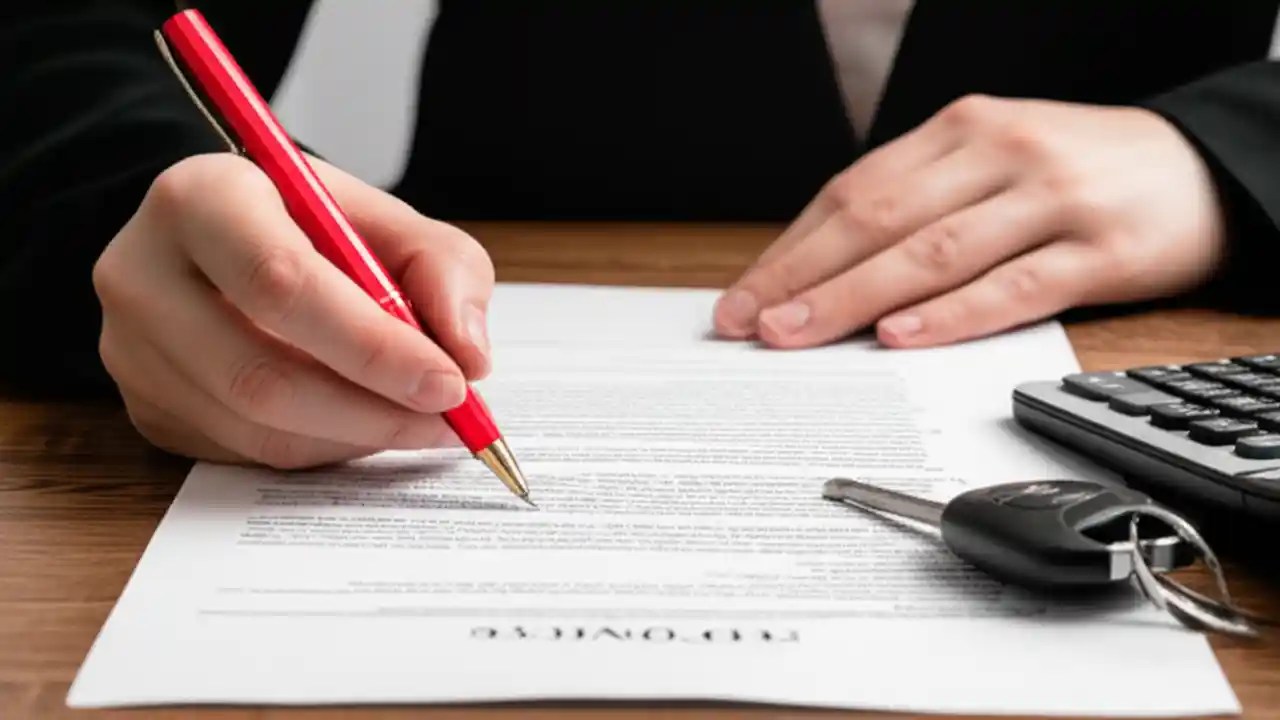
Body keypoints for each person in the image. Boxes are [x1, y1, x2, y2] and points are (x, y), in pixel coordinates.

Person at [2, 2, 1279, 469]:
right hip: (473, 269)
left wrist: (1227, 152)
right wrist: (145, 184)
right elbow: (66, 33)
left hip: (1146, 328)